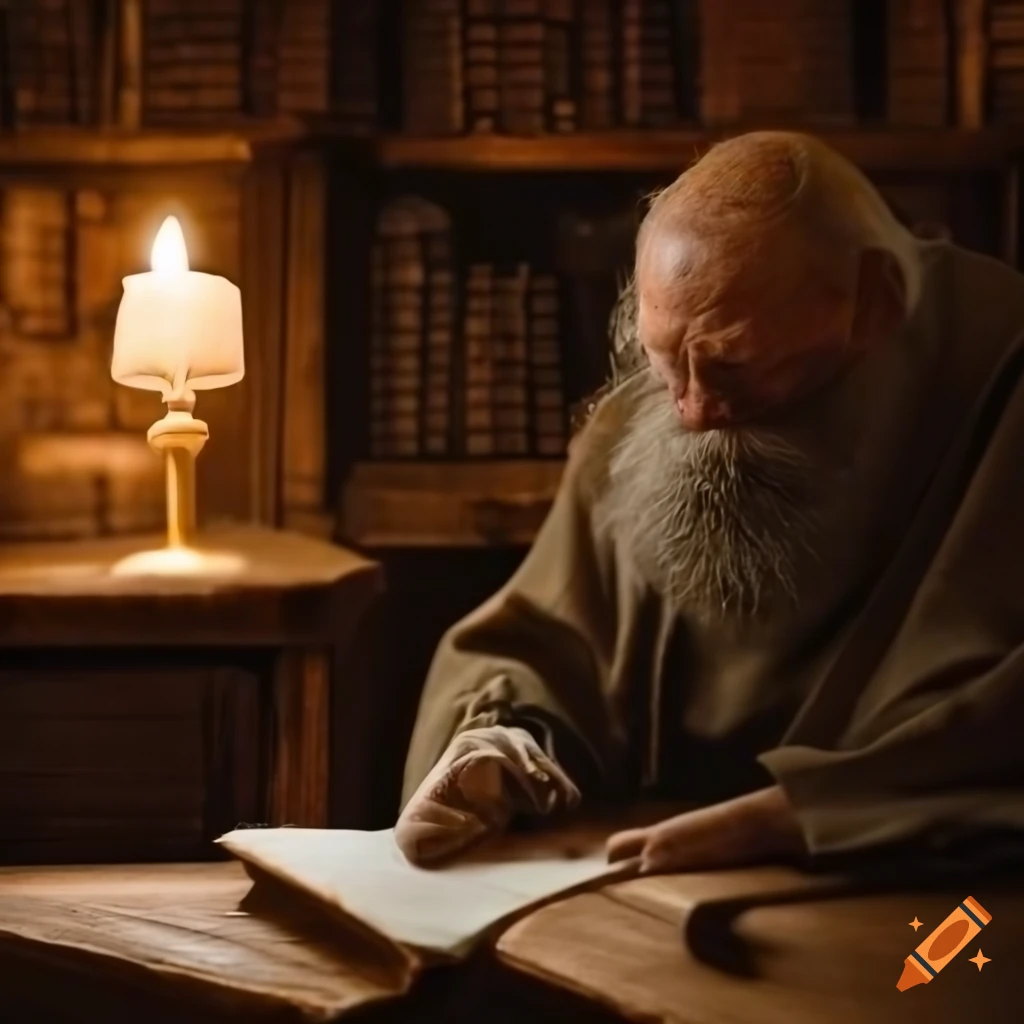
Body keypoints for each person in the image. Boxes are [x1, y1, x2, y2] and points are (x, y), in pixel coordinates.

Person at [395, 130, 1024, 874]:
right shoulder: (651, 416)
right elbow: (547, 639)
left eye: (733, 364)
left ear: (874, 304)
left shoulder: (1001, 376)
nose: (691, 410)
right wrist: (502, 741)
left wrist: (813, 811)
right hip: (626, 878)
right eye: (665, 362)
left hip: (920, 900)